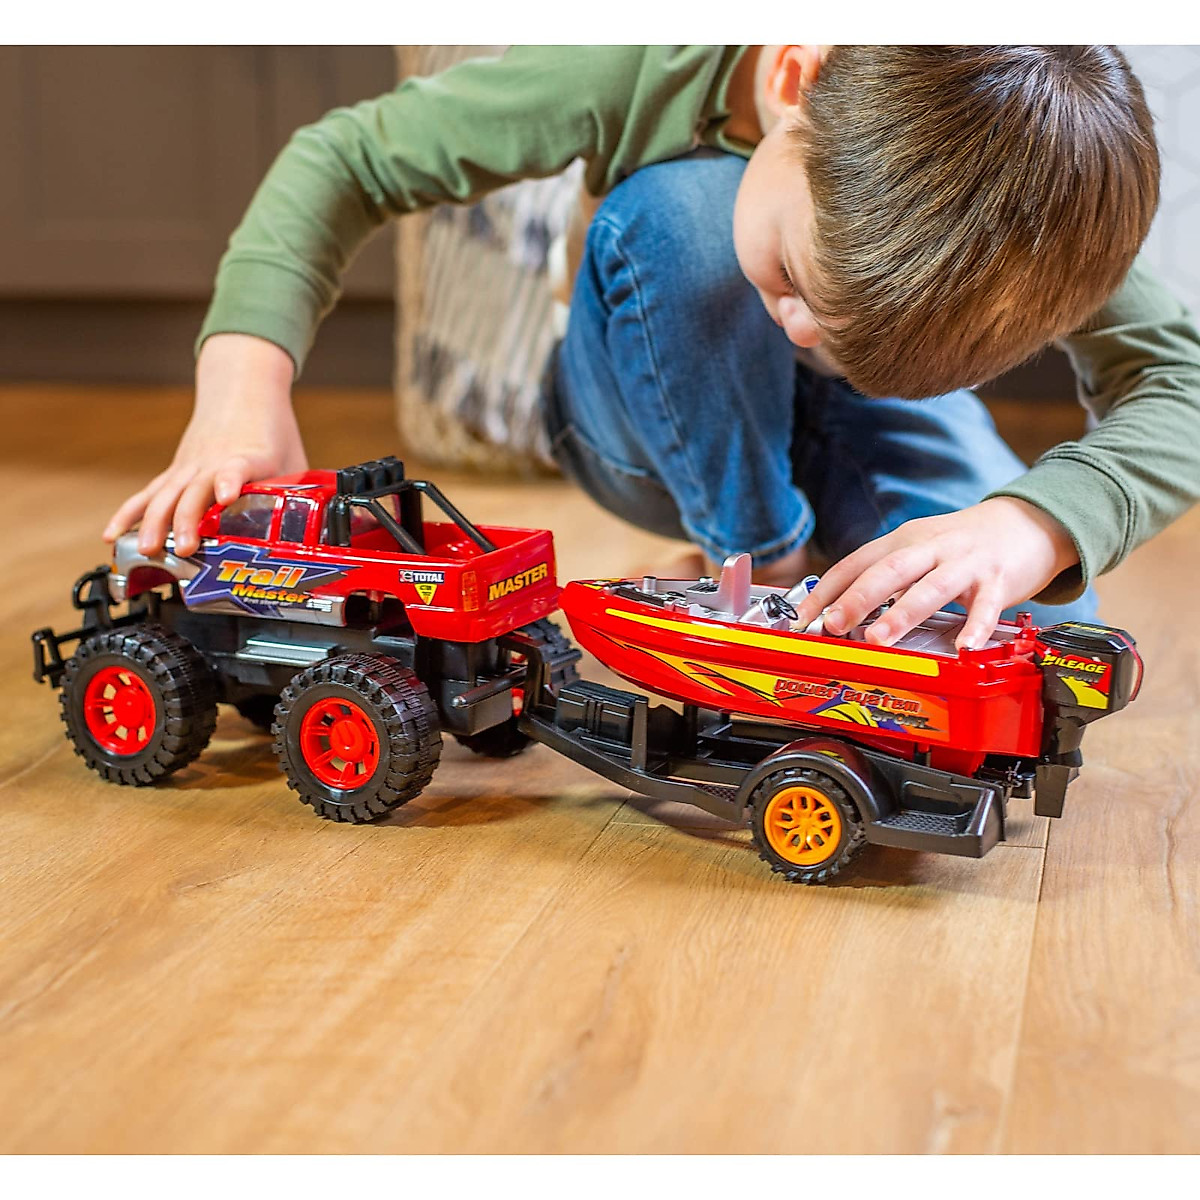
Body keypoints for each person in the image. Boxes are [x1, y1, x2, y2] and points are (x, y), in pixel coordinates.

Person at [104, 45, 1200, 651]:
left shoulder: (1039, 191)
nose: (803, 335)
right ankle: (759, 565)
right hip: (643, 421)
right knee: (681, 222)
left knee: (1032, 622)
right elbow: (344, 158)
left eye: (863, 342)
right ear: (796, 80)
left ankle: (829, 564)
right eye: (796, 284)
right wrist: (241, 383)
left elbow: (1182, 376)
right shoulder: (642, 62)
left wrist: (1029, 526)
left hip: (851, 437)